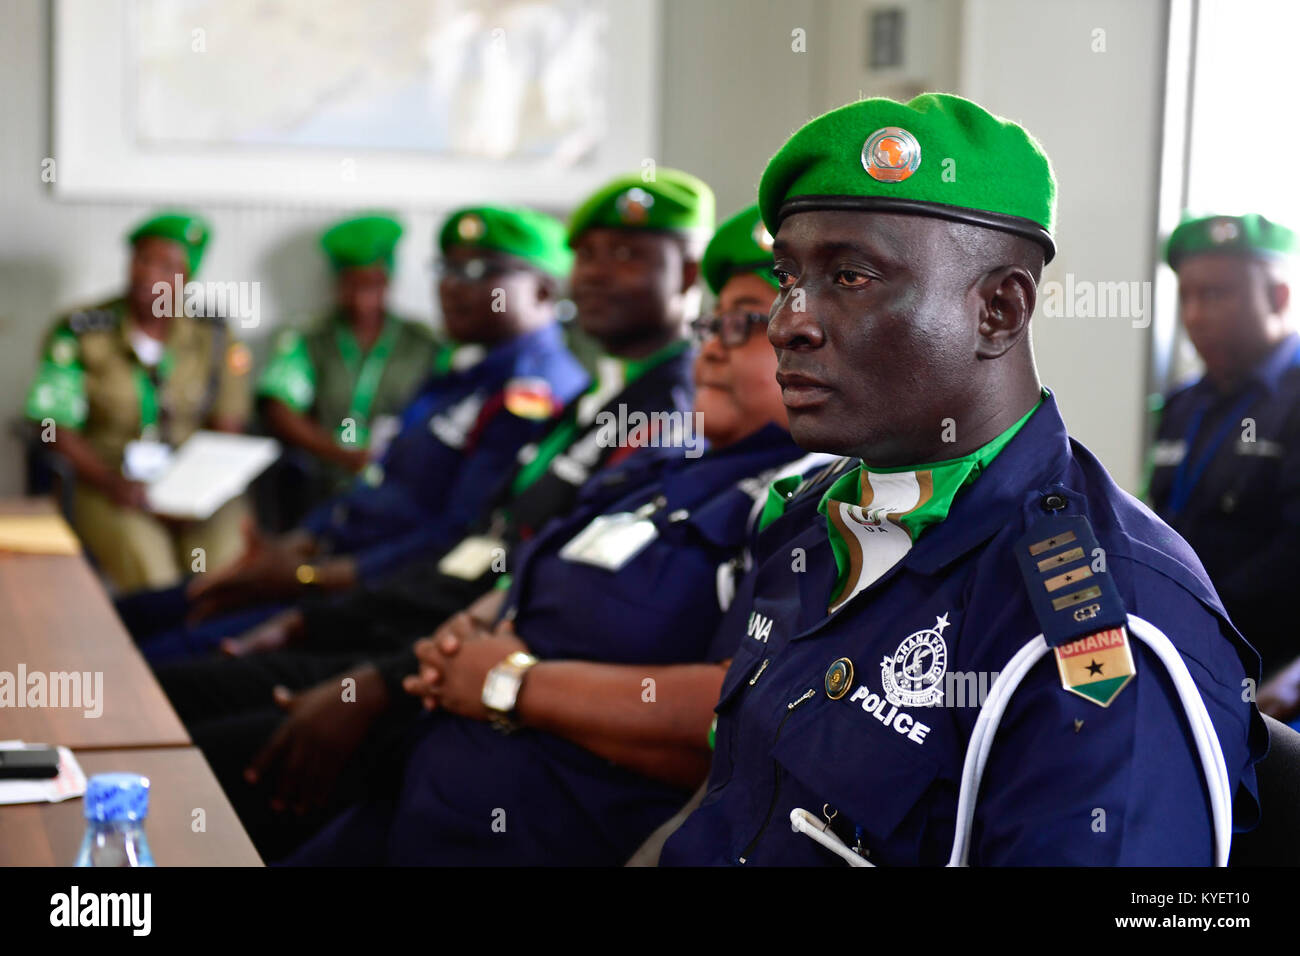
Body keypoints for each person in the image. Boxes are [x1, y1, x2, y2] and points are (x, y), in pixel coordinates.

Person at [654, 94, 1264, 867]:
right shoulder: (814, 520)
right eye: (787, 274)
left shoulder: (1101, 616)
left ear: (999, 312)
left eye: (849, 275)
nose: (786, 321)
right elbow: (729, 805)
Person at [148, 177, 716, 853]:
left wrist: (334, 626)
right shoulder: (592, 398)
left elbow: (525, 584)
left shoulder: (667, 416)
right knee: (168, 689)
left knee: (181, 744)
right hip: (412, 642)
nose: (590, 274)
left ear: (684, 273)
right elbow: (474, 544)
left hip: (453, 678)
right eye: (586, 254)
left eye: (622, 255)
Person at [251, 206, 825, 864]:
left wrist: (510, 683)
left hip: (534, 821)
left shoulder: (801, 499)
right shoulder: (676, 463)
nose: (714, 346)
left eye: (747, 323)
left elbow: (736, 717)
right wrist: (470, 628)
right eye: (711, 324)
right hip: (431, 763)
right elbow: (528, 553)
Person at [123, 205, 588, 660]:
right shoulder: (462, 369)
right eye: (447, 268)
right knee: (134, 613)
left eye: (480, 271)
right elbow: (379, 475)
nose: (451, 286)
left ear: (543, 290)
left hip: (364, 596)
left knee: (156, 661)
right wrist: (295, 544)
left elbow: (456, 537)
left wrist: (307, 574)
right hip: (322, 560)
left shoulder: (533, 391)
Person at [23, 211, 252, 592]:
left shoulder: (212, 334)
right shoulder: (82, 329)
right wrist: (113, 484)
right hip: (110, 482)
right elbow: (51, 426)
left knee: (222, 569)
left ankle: (210, 648)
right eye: (143, 259)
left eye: (167, 266)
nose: (149, 274)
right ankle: (159, 650)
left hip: (195, 486)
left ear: (187, 278)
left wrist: (200, 489)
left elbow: (228, 422)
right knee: (152, 574)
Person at [1146, 213, 1298, 678]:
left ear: (1277, 297)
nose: (1194, 316)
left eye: (1215, 295)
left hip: (1269, 677)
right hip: (1180, 657)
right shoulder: (1181, 406)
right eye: (1185, 297)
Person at [255, 214, 439, 524]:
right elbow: (279, 406)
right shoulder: (311, 339)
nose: (361, 300)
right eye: (351, 285)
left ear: (388, 282)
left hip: (402, 481)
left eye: (372, 286)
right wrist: (339, 453)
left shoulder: (421, 344)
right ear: (336, 284)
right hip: (322, 479)